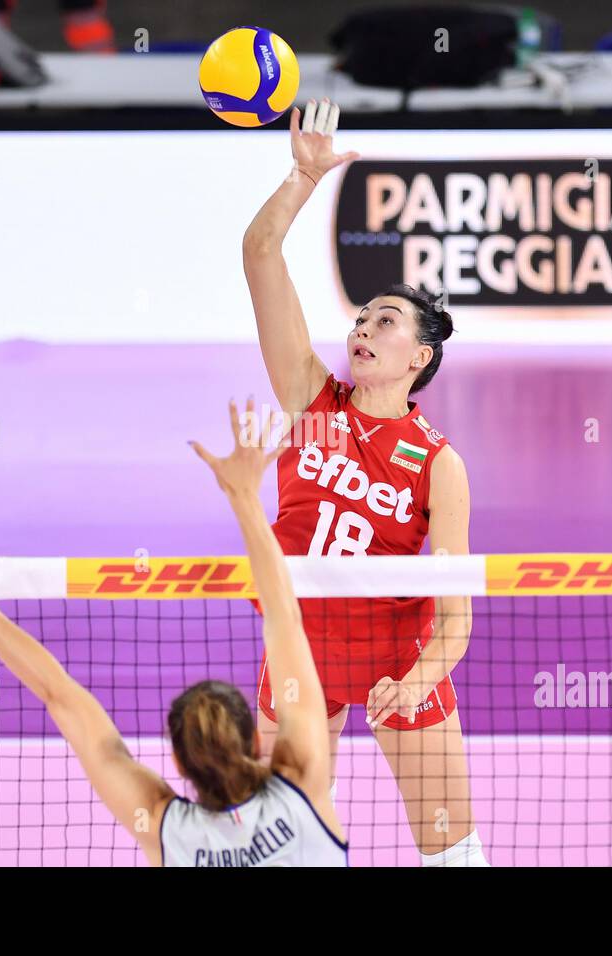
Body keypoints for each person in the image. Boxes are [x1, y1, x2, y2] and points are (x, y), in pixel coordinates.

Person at [0, 399, 346, 866]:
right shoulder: (303, 780)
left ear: (179, 765)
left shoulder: (164, 827)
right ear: (256, 743)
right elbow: (284, 619)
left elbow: (60, 695)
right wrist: (245, 498)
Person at [241, 98, 487, 865]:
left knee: (452, 854)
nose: (362, 330)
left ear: (420, 357)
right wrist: (302, 177)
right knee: (283, 851)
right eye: (360, 319)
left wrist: (417, 682)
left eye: (385, 321)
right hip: (297, 659)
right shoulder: (312, 404)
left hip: (395, 661)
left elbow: (456, 615)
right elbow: (259, 255)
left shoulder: (438, 463)